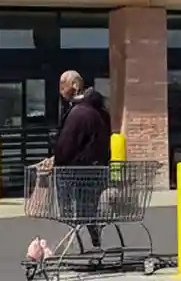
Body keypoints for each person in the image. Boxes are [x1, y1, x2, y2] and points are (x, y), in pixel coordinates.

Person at [52, 70, 112, 248]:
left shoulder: (79, 113)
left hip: (78, 173)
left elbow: (67, 146)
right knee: (88, 209)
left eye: (64, 84)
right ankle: (92, 237)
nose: (61, 89)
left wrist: (56, 161)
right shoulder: (101, 112)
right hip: (96, 171)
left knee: (76, 211)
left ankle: (83, 242)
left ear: (76, 85)